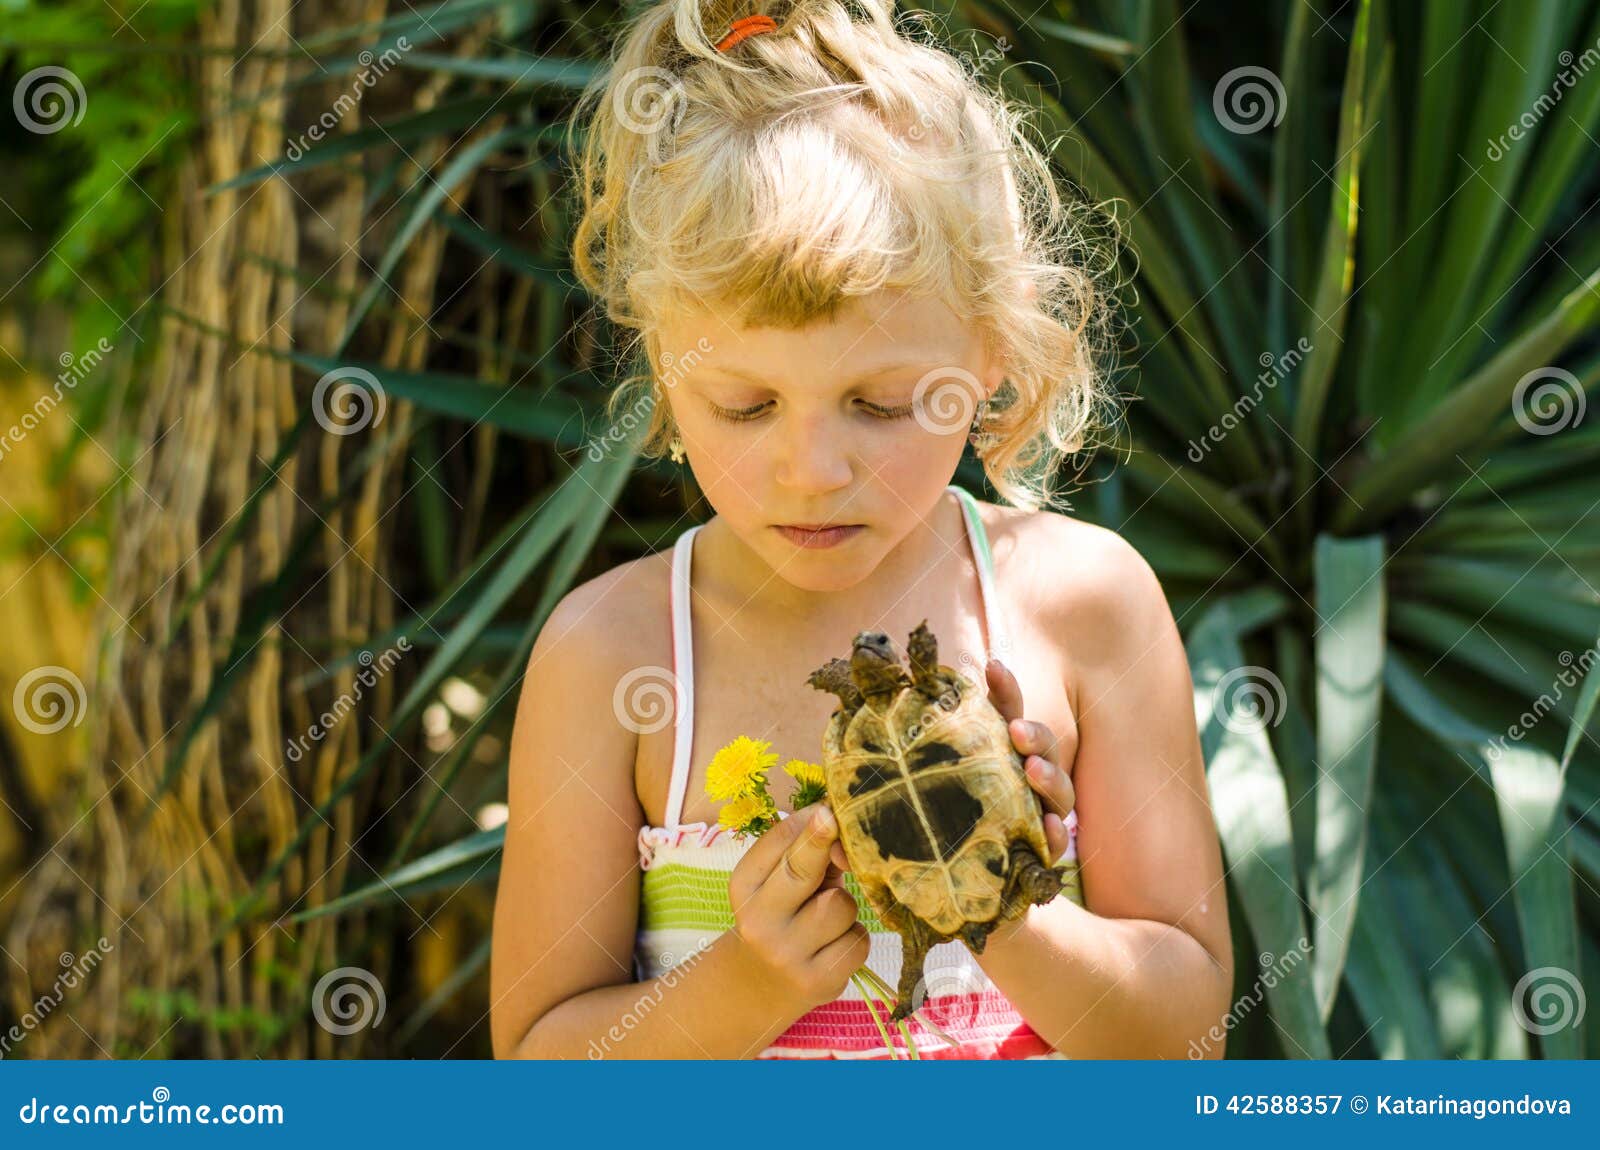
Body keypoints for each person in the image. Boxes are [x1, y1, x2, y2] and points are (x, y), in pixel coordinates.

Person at [490, 0, 1231, 1059]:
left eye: (881, 405)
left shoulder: (1083, 607)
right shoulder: (613, 656)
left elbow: (1187, 1038)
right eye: (745, 406)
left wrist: (1000, 901)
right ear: (664, 368)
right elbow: (534, 1072)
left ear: (991, 351)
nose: (812, 470)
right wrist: (746, 983)